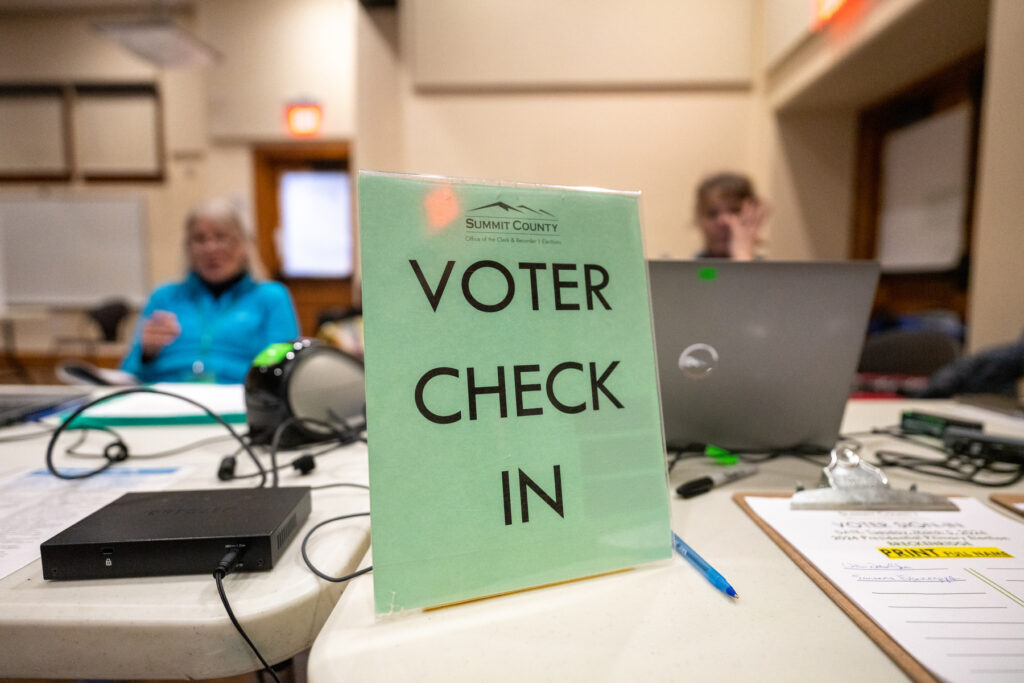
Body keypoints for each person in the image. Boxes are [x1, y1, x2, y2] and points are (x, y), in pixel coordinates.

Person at [122, 199, 299, 384]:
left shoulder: (271, 297)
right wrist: (146, 353)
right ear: (188, 248)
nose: (211, 249)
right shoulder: (164, 297)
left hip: (237, 398)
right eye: (199, 239)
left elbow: (282, 372)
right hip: (167, 398)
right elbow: (128, 373)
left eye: (221, 237)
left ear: (244, 245)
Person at [694, 172, 768, 261]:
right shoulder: (688, 272)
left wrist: (742, 255)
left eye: (734, 211)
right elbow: (710, 274)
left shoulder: (770, 273)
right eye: (712, 213)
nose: (723, 221)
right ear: (699, 219)